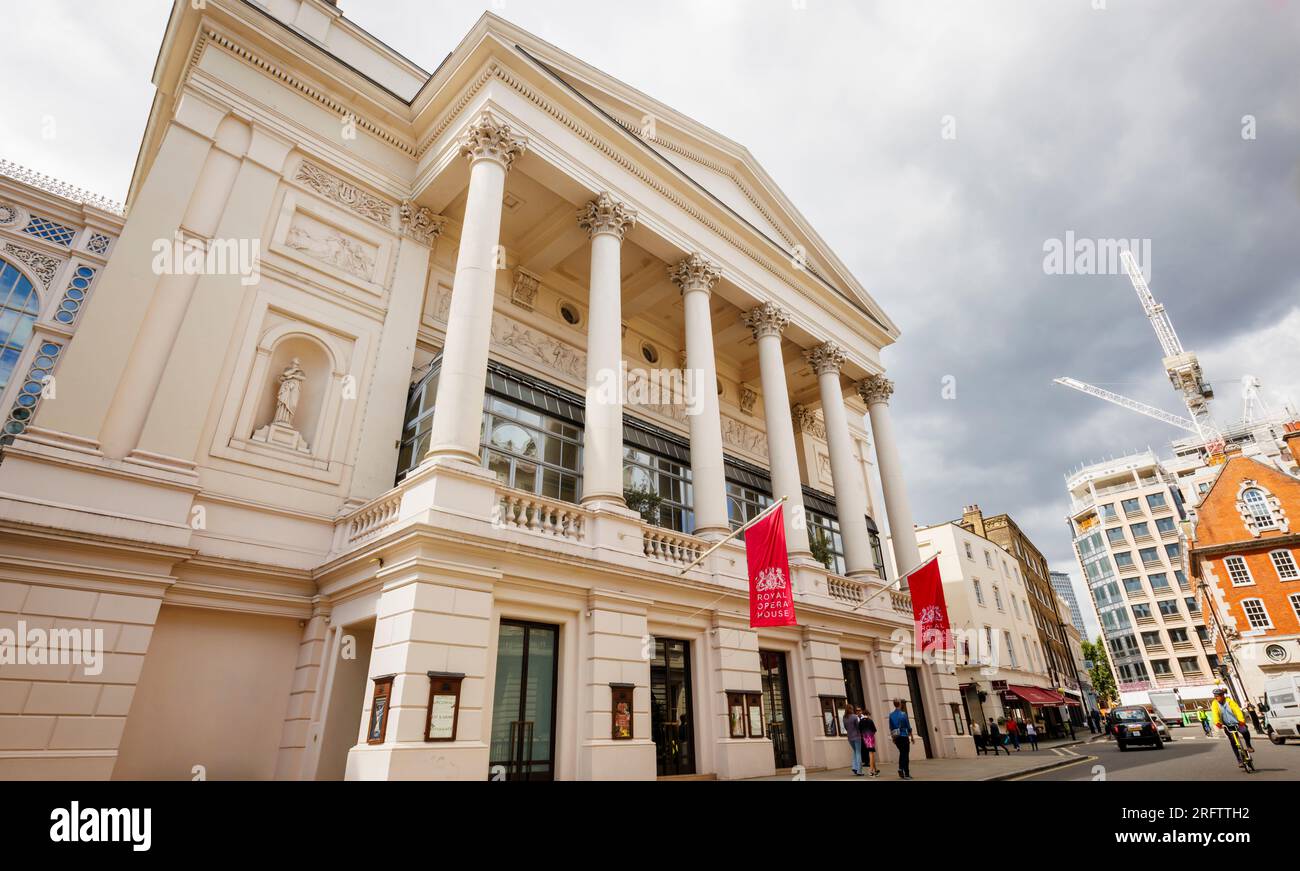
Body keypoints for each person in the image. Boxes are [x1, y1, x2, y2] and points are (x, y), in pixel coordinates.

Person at [1209, 687, 1252, 767]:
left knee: (1245, 731)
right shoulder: (1214, 703)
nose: (1216, 697)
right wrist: (1217, 722)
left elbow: (1237, 710)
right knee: (1233, 741)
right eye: (1215, 696)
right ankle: (1240, 760)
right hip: (1227, 726)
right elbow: (1215, 713)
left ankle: (1248, 745)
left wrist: (1241, 720)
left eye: (1217, 696)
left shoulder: (1229, 701)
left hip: (1237, 723)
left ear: (1222, 695)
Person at [889, 699, 915, 779]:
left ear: (894, 704)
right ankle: (906, 773)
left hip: (897, 737)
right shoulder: (903, 714)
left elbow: (891, 727)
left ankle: (901, 769)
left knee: (902, 753)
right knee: (905, 755)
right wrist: (912, 736)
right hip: (904, 736)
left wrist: (893, 738)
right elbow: (908, 726)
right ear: (900, 704)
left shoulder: (891, 715)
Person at [842, 705, 863, 776]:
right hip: (857, 736)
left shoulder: (844, 717)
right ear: (851, 709)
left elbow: (845, 727)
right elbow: (858, 726)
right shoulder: (854, 717)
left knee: (855, 751)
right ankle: (859, 771)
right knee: (858, 753)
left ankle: (854, 767)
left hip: (850, 737)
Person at [860, 708, 880, 776]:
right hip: (870, 739)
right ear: (868, 714)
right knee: (871, 753)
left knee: (871, 754)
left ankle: (875, 769)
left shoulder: (861, 721)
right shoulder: (870, 721)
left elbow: (859, 730)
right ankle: (871, 770)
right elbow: (874, 730)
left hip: (864, 739)